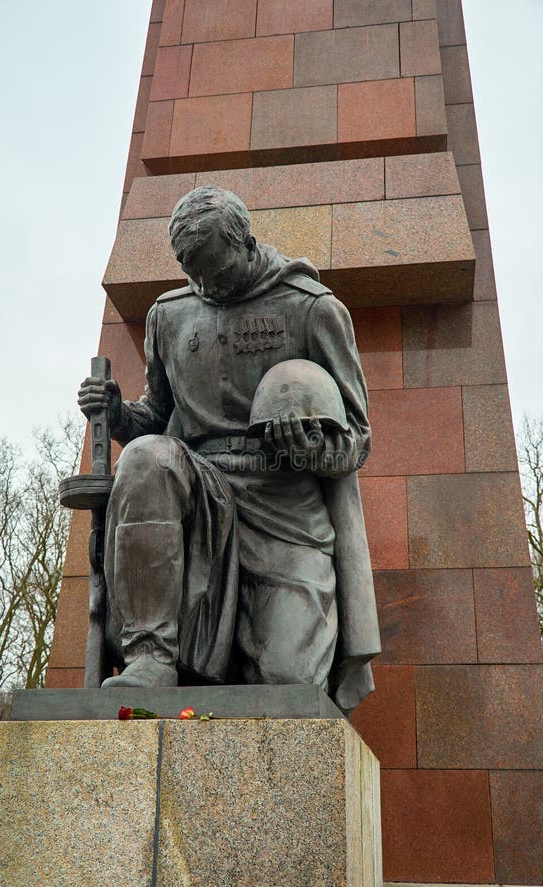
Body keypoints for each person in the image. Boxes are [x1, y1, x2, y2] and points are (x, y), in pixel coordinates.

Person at [78, 186, 379, 711]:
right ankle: (151, 654)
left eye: (215, 273)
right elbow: (156, 417)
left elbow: (356, 434)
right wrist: (120, 412)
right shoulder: (168, 316)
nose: (204, 285)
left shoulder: (312, 308)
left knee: (289, 684)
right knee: (146, 456)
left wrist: (308, 449)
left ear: (246, 243)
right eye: (192, 273)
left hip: (284, 499)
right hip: (202, 487)